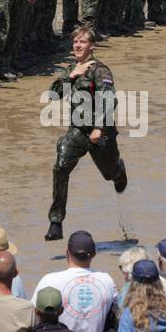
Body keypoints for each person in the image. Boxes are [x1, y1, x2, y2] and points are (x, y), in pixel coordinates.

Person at [44, 27, 129, 241]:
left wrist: (98, 128)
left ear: (92, 46)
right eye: (75, 42)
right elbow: (53, 95)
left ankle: (119, 171)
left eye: (82, 42)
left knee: (109, 173)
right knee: (60, 166)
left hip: (101, 132)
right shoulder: (72, 69)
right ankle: (56, 221)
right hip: (78, 130)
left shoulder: (100, 70)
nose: (78, 46)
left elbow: (109, 100)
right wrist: (71, 76)